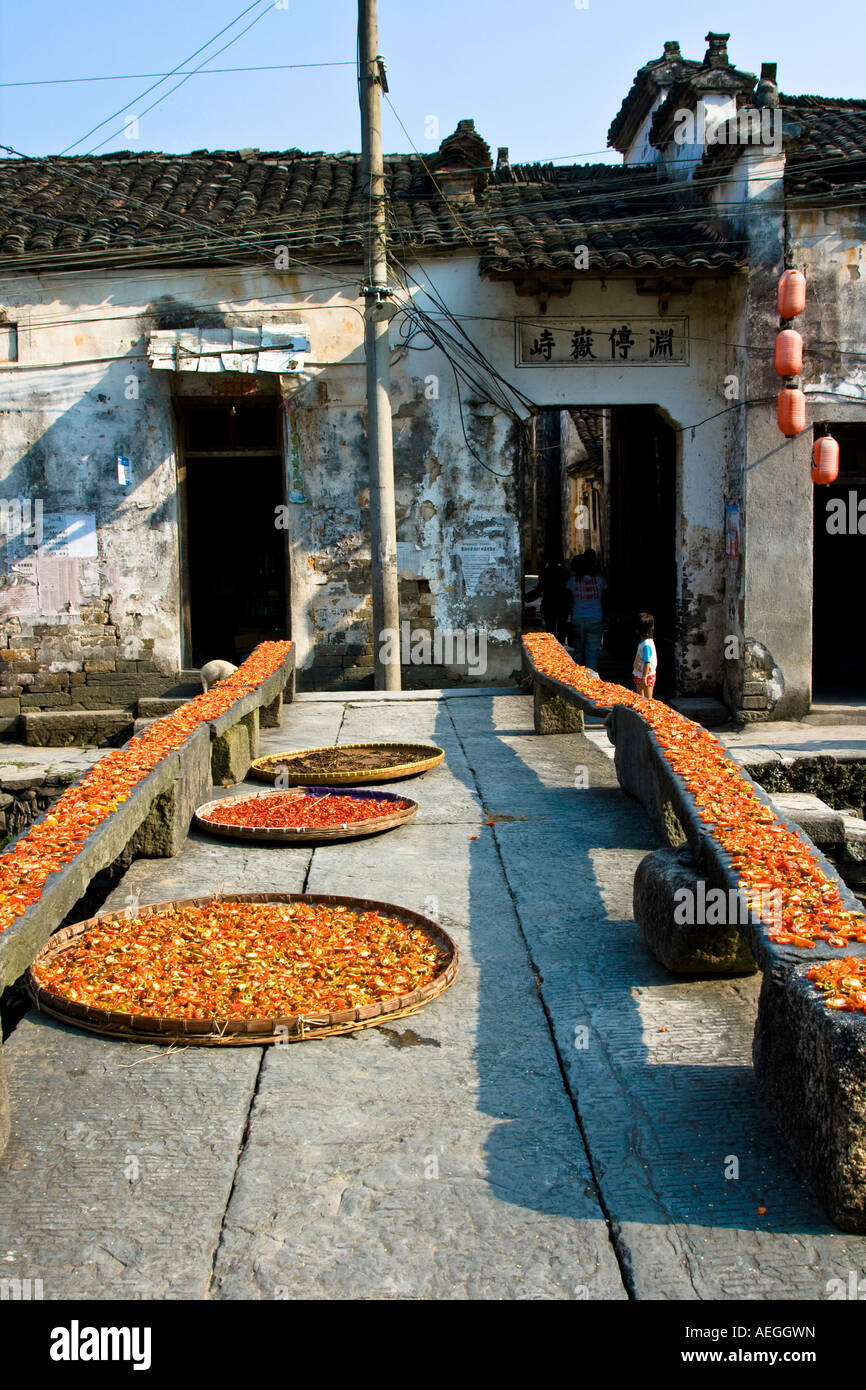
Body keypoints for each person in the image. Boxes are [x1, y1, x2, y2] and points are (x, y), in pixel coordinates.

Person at [567, 549, 606, 670]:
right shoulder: (600, 581)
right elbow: (606, 596)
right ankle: (591, 682)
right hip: (595, 620)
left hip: (577, 620)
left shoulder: (571, 582)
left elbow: (566, 597)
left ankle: (576, 681)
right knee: (592, 654)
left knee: (578, 651)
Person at [525, 559, 570, 644]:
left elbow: (539, 589)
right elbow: (569, 589)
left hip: (549, 604)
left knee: (551, 629)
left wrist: (527, 598)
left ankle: (553, 647)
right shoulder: (565, 572)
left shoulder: (545, 572)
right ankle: (561, 647)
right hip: (562, 604)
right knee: (561, 628)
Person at [633, 612, 658, 698]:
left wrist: (644, 677)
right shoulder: (644, 643)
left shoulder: (646, 644)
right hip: (640, 674)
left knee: (648, 699)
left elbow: (647, 661)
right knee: (641, 698)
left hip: (646, 676)